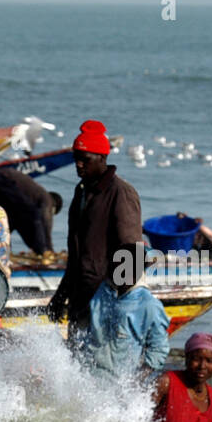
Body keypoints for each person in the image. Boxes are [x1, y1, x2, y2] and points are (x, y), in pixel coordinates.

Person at [47, 120, 142, 345]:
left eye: (85, 159)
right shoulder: (81, 193)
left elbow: (132, 252)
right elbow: (76, 254)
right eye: (76, 158)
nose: (78, 165)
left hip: (105, 297)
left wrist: (117, 301)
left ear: (102, 158)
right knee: (78, 360)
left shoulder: (120, 193)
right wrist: (61, 295)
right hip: (81, 296)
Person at [82, 261, 170, 380]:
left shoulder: (148, 304)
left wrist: (134, 381)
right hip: (88, 377)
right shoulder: (102, 292)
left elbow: (159, 349)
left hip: (120, 383)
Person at [0, 166, 61, 258]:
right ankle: (42, 252)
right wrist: (49, 249)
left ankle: (0, 251)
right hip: (1, 179)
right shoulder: (47, 199)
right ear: (54, 206)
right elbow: (46, 222)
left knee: (11, 219)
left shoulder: (33, 194)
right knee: (32, 215)